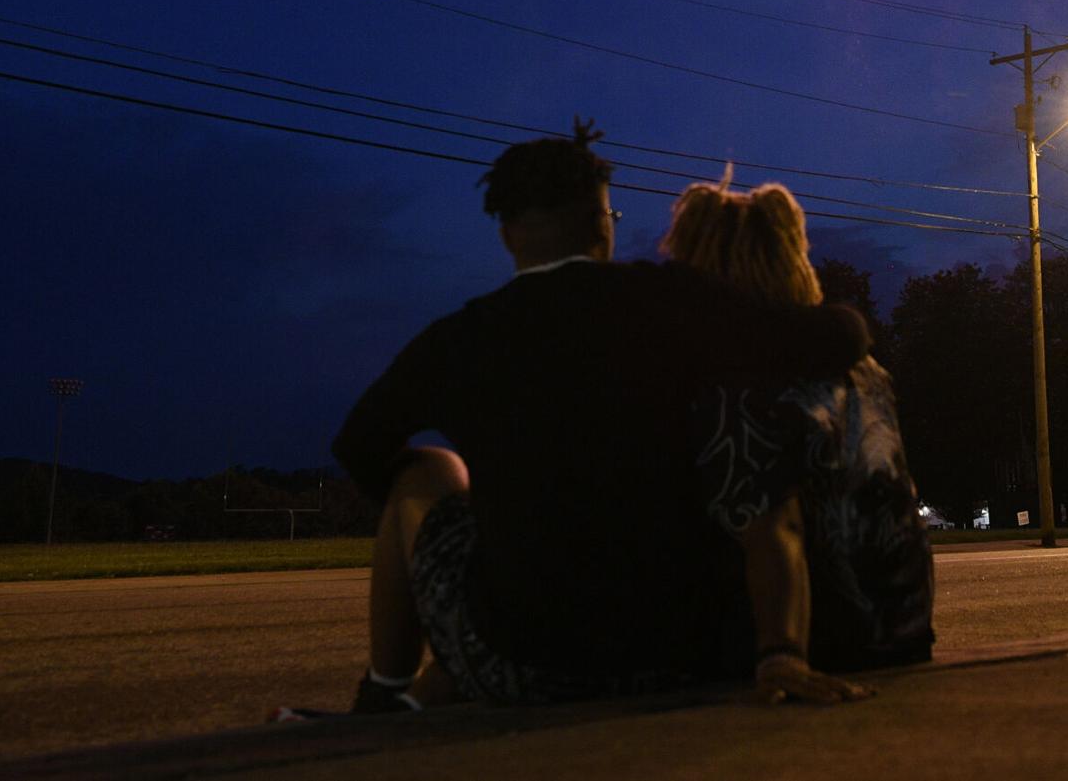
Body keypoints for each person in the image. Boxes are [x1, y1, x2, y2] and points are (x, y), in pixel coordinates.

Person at [323, 122, 874, 714]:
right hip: (674, 651)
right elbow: (837, 336)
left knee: (429, 468)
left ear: (507, 234)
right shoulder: (670, 299)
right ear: (600, 223)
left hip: (520, 663)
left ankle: (384, 691)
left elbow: (358, 445)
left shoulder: (456, 340)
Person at [662, 179, 934, 699]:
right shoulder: (865, 369)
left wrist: (780, 653)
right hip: (898, 629)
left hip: (811, 639)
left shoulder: (738, 379)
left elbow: (772, 520)